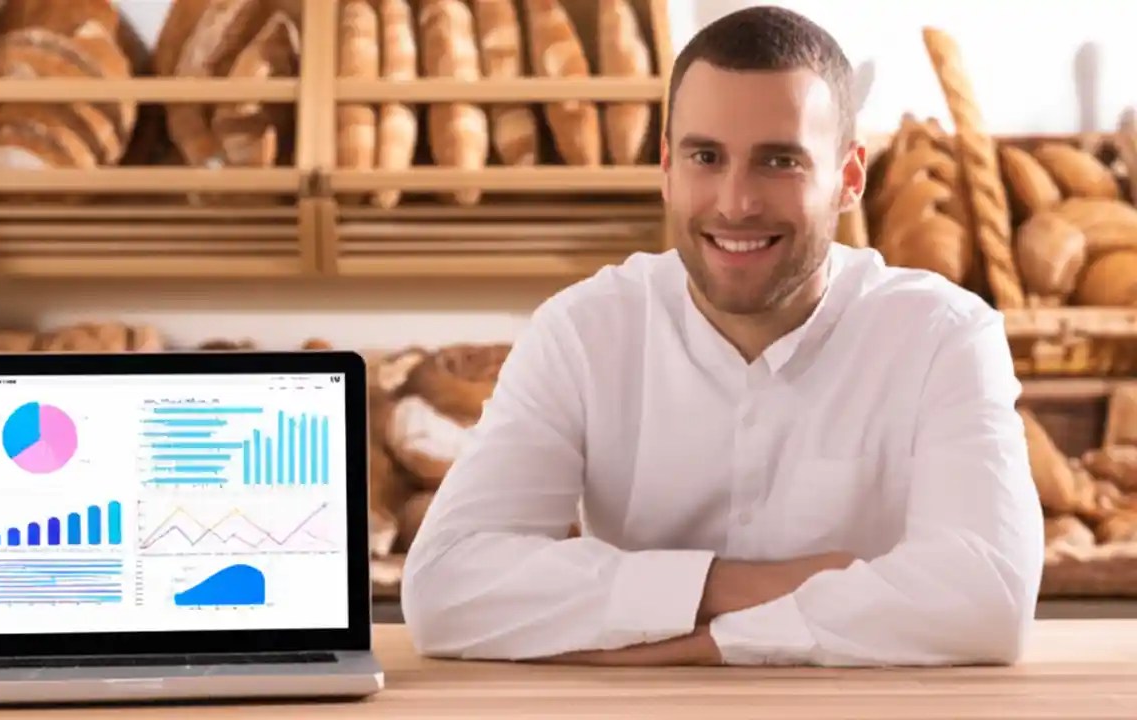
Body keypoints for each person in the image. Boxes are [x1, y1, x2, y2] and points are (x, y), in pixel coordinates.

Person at [399, 5, 1044, 667]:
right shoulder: (583, 332)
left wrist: (702, 644)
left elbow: (988, 600)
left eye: (780, 161)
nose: (736, 202)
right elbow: (446, 586)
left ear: (849, 178)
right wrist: (733, 584)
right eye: (706, 156)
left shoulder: (945, 338)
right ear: (667, 170)